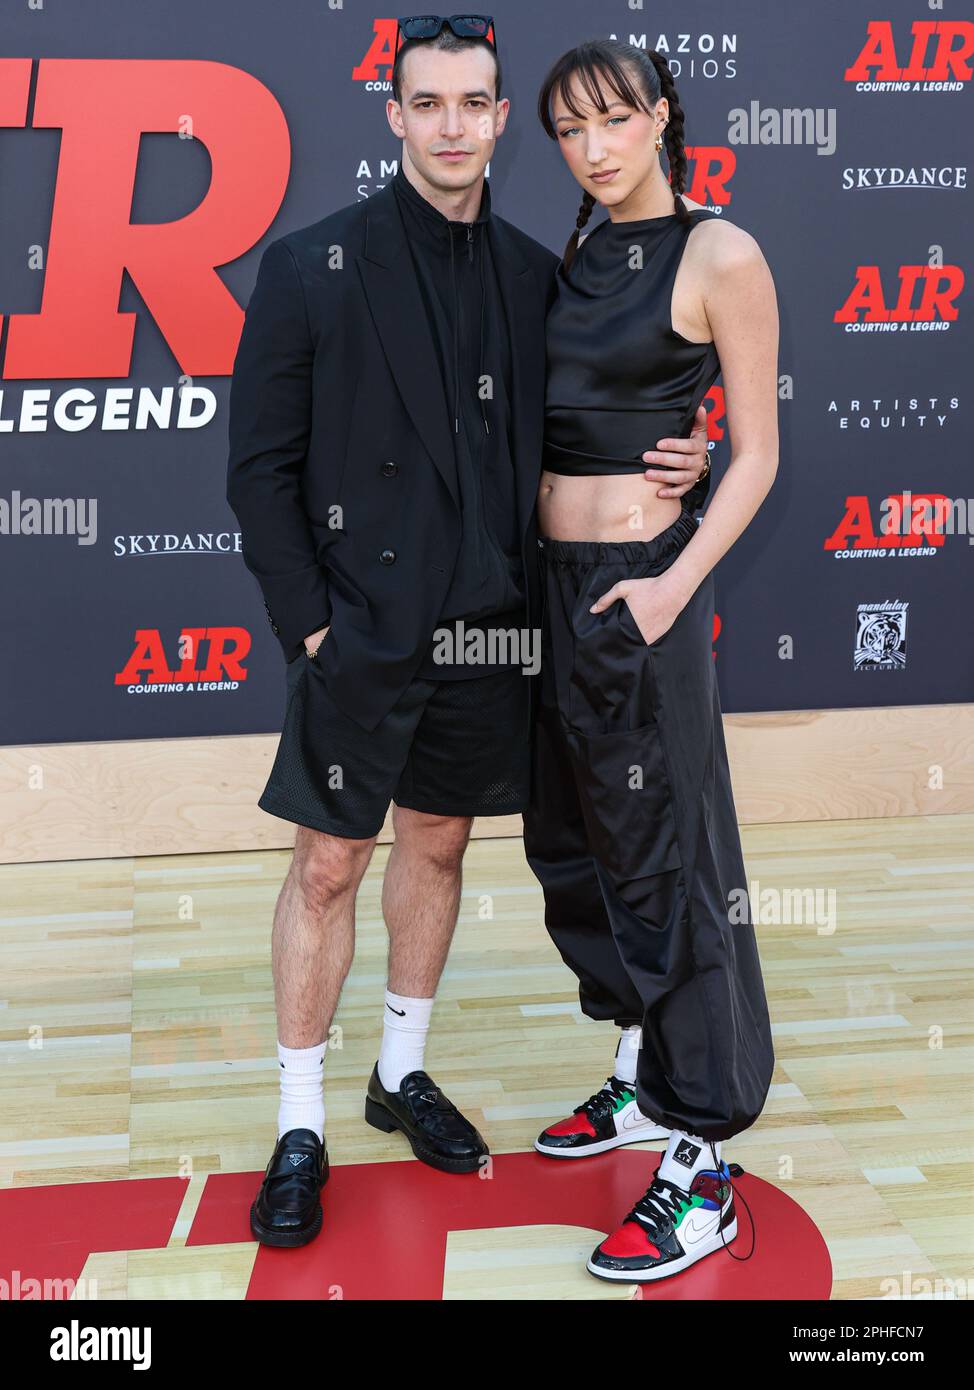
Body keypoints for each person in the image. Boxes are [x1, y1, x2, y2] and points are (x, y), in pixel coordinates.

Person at [225, 16, 710, 1248]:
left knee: (434, 851)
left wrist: (689, 454)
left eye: (474, 104)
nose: (450, 124)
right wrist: (312, 631)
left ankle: (400, 1072)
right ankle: (298, 1122)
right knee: (327, 865)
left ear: (501, 121)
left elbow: (588, 432)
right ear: (392, 116)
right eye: (425, 103)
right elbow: (257, 470)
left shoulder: (535, 273)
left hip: (487, 633)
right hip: (358, 633)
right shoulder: (308, 266)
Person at [523, 39, 779, 1284]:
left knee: (670, 864)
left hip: (641, 595)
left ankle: (702, 1161)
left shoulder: (718, 252)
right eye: (569, 130)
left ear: (662, 115)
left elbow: (759, 454)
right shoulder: (574, 253)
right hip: (547, 592)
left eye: (613, 119)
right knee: (573, 849)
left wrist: (672, 584)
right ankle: (638, 1079)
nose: (593, 147)